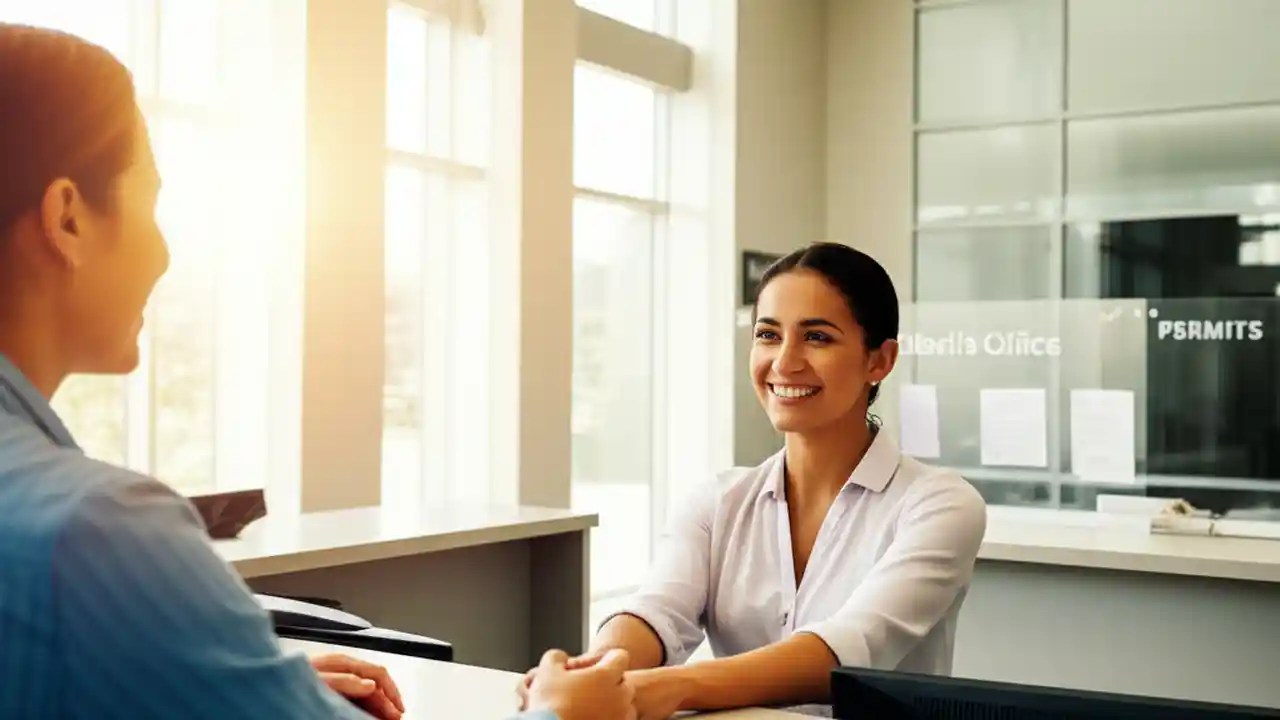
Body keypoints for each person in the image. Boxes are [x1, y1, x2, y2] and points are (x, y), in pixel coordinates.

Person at [0, 23, 633, 720]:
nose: (163, 254)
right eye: (150, 202)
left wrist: (229, 678)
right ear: (67, 218)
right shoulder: (99, 532)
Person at [522, 243, 988, 719]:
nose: (784, 363)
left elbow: (846, 649)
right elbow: (656, 611)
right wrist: (596, 673)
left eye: (818, 338)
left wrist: (650, 691)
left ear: (879, 361)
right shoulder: (717, 500)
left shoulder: (941, 505)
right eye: (768, 335)